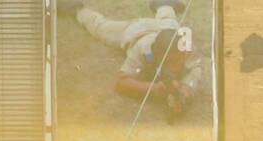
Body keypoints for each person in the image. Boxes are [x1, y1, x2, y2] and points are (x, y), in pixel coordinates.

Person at [63, 2, 204, 122]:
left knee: (169, 21)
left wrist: (185, 93)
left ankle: (164, 4)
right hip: (139, 30)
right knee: (102, 29)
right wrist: (151, 89)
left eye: (180, 59)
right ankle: (77, 9)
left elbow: (193, 75)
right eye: (172, 61)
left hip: (167, 30)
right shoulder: (143, 49)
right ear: (158, 55)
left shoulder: (185, 49)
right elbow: (121, 83)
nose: (177, 65)